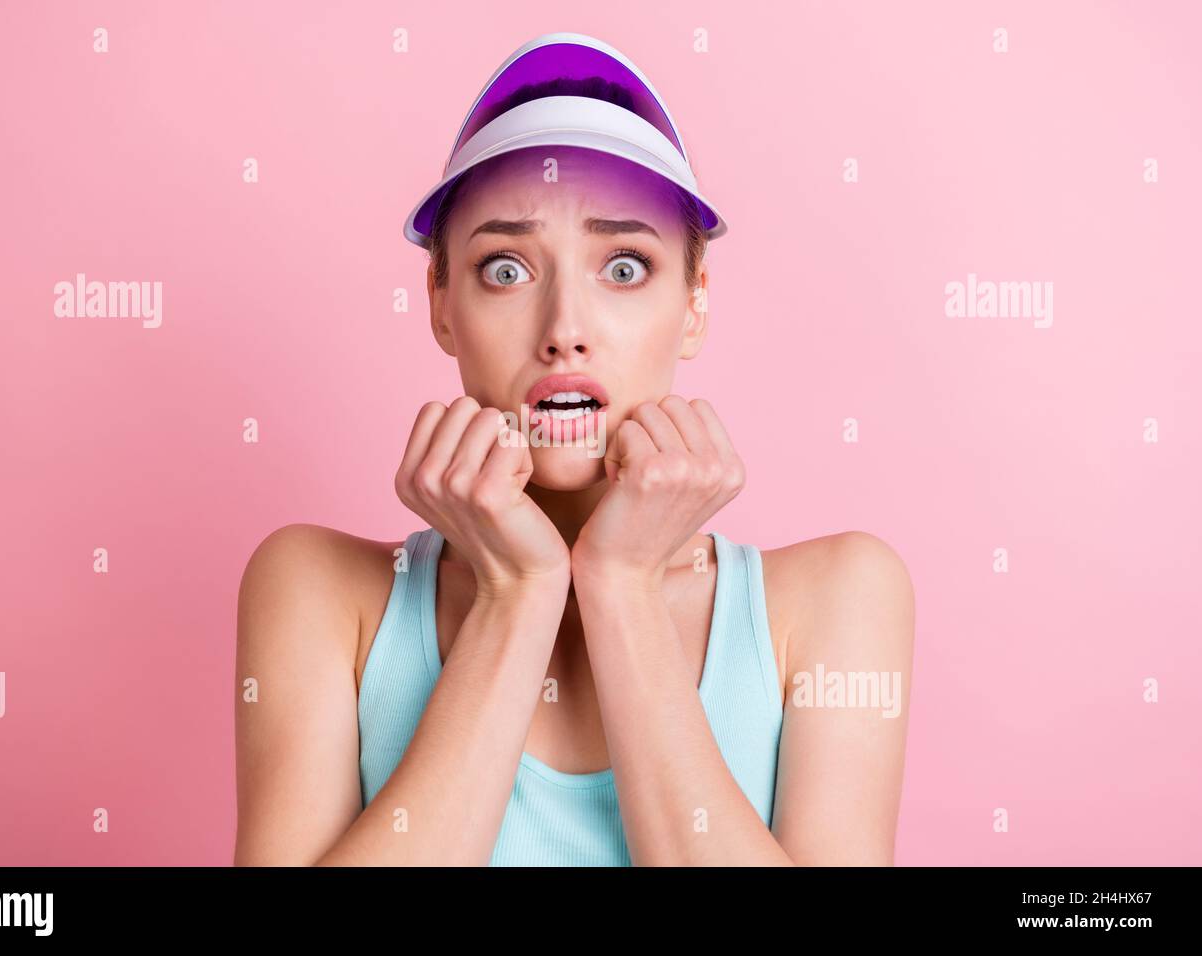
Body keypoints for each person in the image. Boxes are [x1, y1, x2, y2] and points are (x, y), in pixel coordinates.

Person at [233, 32, 914, 866]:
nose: (564, 331)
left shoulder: (837, 599)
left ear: (695, 304)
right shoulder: (320, 593)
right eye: (506, 270)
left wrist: (619, 585)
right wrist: (519, 591)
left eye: (623, 267)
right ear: (440, 303)